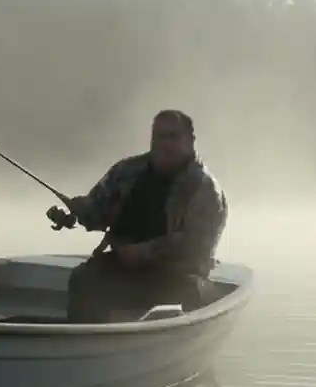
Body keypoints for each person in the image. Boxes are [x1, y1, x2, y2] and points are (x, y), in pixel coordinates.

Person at [46, 109, 228, 323]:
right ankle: (85, 340)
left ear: (191, 140)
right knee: (83, 278)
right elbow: (98, 211)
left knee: (187, 293)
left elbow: (196, 244)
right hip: (125, 268)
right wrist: (76, 215)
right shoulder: (127, 171)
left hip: (180, 274)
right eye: (158, 137)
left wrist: (146, 252)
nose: (164, 144)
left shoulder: (204, 189)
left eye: (173, 137)